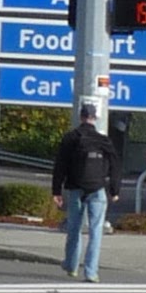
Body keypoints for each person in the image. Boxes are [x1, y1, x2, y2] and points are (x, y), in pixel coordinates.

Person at [52, 101, 120, 282]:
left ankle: (71, 265)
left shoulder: (70, 138)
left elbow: (60, 166)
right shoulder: (103, 140)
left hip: (75, 188)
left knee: (74, 228)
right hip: (97, 189)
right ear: (94, 118)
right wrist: (114, 190)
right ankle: (91, 272)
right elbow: (115, 165)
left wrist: (56, 190)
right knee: (96, 231)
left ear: (80, 116)